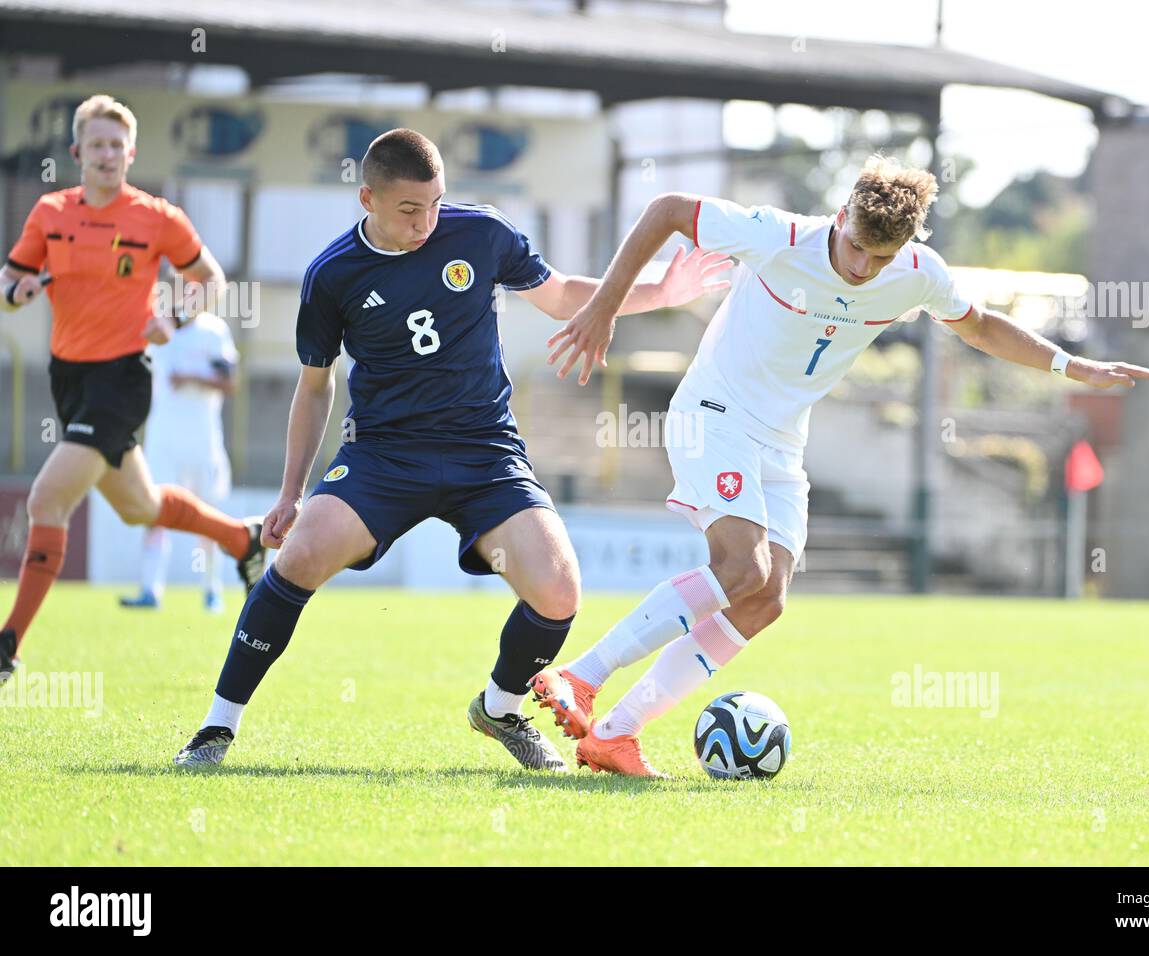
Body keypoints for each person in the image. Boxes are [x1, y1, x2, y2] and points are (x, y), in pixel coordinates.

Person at [532, 154, 1149, 776]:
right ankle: (582, 676)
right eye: (859, 246)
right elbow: (667, 210)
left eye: (882, 257)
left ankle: (616, 735)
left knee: (767, 598)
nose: (865, 267)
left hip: (782, 440)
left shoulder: (918, 272)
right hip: (714, 413)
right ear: (841, 216)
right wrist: (602, 308)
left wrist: (1070, 365)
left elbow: (979, 327)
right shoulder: (779, 237)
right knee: (739, 567)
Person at [171, 127, 732, 771]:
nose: (426, 222)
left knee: (558, 593)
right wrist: (291, 493)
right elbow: (315, 385)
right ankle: (216, 730)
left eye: (436, 203)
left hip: (485, 453)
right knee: (296, 560)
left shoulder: (481, 234)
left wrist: (660, 291)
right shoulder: (331, 275)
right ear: (368, 200)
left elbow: (562, 296)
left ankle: (499, 708)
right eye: (410, 209)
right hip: (384, 455)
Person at [0, 94, 266, 687]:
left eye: (117, 145)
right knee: (138, 507)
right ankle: (239, 538)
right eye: (96, 144)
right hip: (67, 378)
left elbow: (211, 279)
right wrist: (13, 291)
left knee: (47, 501)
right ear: (76, 152)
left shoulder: (157, 218)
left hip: (121, 379)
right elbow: (12, 278)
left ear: (131, 154)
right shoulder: (49, 212)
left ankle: (7, 647)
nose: (107, 154)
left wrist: (174, 316)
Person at [120, 311, 239, 613]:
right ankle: (150, 590)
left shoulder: (213, 331)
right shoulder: (156, 328)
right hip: (163, 440)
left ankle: (212, 590)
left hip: (202, 441)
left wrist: (192, 377)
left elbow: (229, 382)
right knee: (154, 513)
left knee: (207, 517)